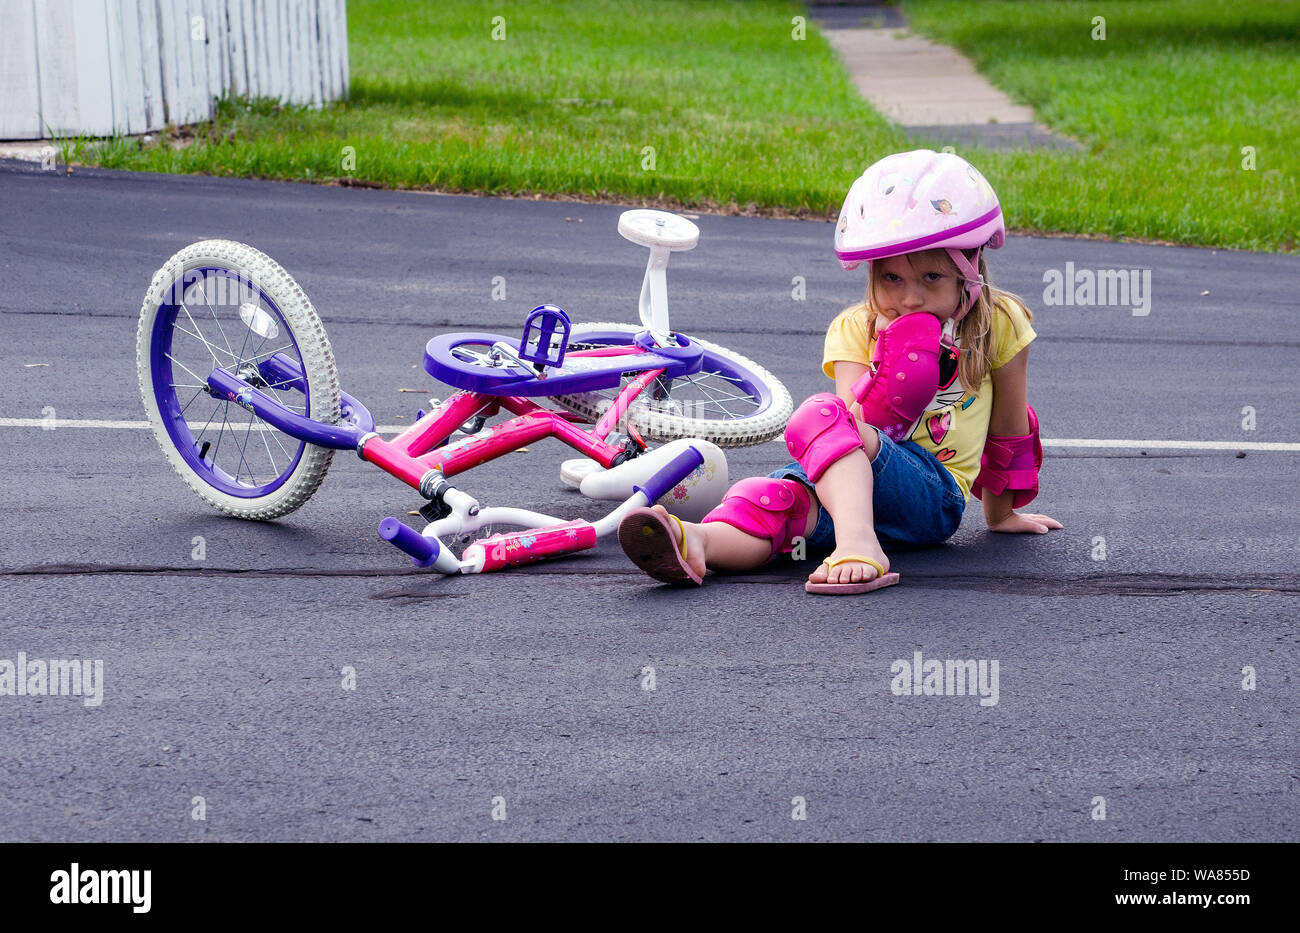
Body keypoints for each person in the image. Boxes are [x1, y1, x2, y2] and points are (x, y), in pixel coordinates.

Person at [618, 149, 1062, 594]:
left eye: (931, 278)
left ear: (970, 273)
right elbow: (857, 422)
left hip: (932, 497)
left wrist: (1002, 516)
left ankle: (859, 546)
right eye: (892, 279)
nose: (909, 299)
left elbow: (1010, 426)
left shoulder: (998, 321)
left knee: (819, 415)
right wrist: (892, 358)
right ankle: (695, 543)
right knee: (771, 498)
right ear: (872, 273)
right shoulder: (854, 327)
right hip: (855, 493)